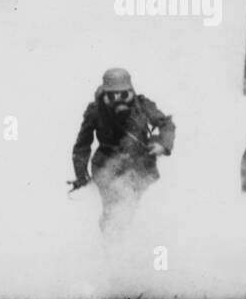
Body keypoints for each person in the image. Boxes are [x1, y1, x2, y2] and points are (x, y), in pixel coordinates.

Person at [69, 68, 176, 236]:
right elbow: (82, 145)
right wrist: (81, 175)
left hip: (140, 165)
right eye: (112, 95)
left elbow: (166, 124)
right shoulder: (96, 110)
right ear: (104, 94)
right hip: (107, 166)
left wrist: (163, 144)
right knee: (112, 210)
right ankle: (111, 247)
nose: (118, 100)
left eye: (123, 94)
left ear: (130, 92)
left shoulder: (142, 105)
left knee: (135, 209)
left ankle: (131, 245)